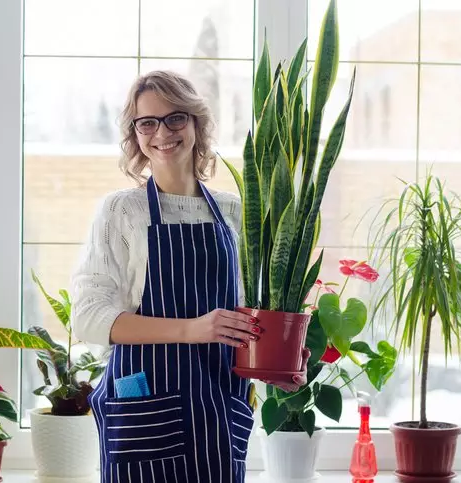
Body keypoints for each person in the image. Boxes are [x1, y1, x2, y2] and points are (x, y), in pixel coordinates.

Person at [70, 70, 309, 483]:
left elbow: (251, 313)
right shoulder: (121, 212)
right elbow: (88, 317)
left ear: (196, 124)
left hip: (217, 406)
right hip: (145, 402)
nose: (162, 132)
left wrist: (279, 363)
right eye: (147, 122)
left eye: (175, 118)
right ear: (136, 134)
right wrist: (193, 329)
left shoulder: (236, 211)